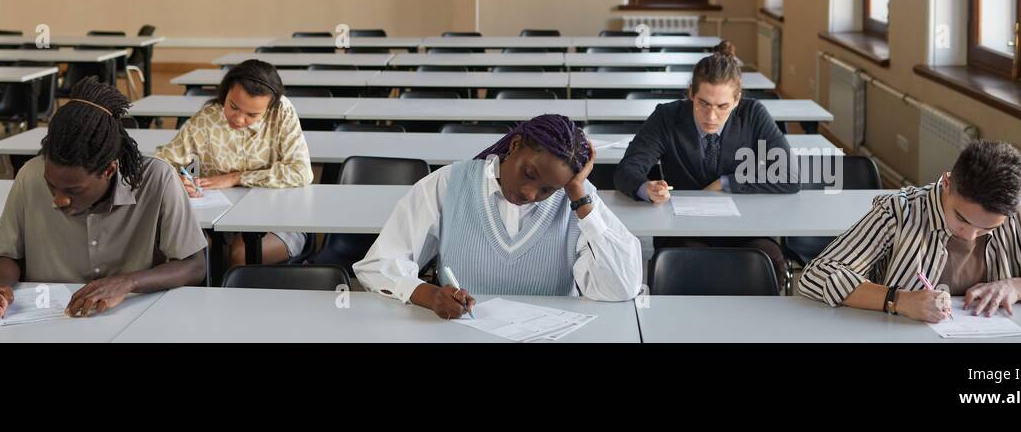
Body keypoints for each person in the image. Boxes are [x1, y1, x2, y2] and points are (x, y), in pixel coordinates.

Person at [353, 114, 643, 319]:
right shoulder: (449, 183)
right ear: (514, 146)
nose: (531, 193)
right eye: (528, 174)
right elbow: (378, 264)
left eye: (547, 189)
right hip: (459, 333)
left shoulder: (577, 199)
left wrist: (579, 195)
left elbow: (621, 286)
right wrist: (428, 295)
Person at [798, 139, 1021, 321]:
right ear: (946, 183)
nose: (968, 235)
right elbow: (818, 275)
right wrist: (898, 300)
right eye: (962, 219)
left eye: (986, 230)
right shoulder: (900, 211)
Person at [0, 77, 207, 319]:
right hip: (47, 321)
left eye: (74, 190)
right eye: (51, 186)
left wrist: (128, 282)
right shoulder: (30, 176)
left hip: (133, 319)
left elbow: (194, 265)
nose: (59, 199)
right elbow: (6, 255)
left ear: (109, 170)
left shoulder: (157, 179)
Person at [613, 41, 797, 285]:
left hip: (745, 229)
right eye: (703, 104)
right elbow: (626, 171)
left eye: (723, 107)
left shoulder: (753, 114)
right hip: (684, 229)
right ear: (691, 93)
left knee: (772, 264)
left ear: (737, 100)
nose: (712, 117)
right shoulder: (667, 117)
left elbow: (788, 174)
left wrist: (725, 183)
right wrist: (645, 188)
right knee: (687, 265)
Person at [156, 58, 313, 266]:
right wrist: (179, 179)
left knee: (243, 254)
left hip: (278, 214)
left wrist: (237, 178)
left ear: (269, 109)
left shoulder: (282, 111)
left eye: (252, 114)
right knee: (193, 250)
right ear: (225, 92)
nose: (239, 119)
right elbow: (162, 164)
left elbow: (301, 172)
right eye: (233, 106)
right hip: (217, 218)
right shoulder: (207, 118)